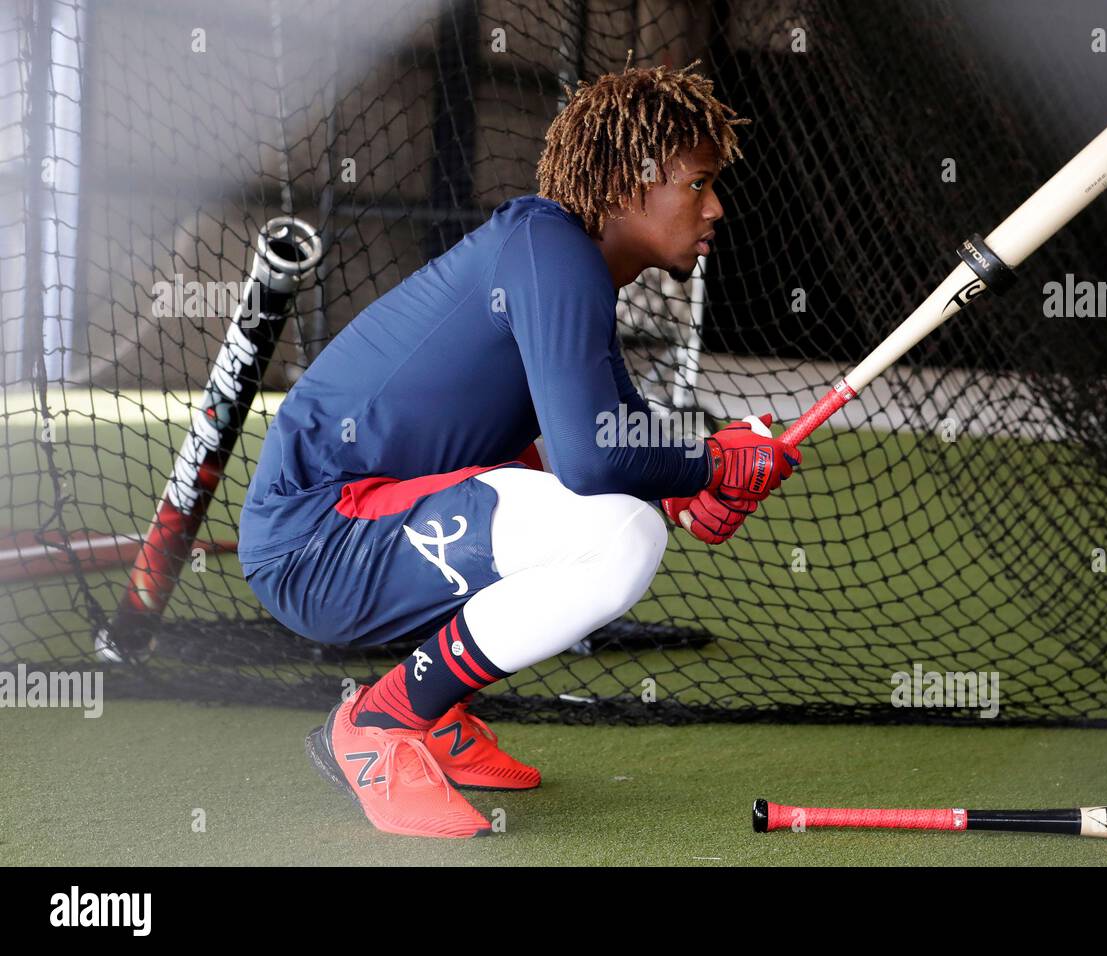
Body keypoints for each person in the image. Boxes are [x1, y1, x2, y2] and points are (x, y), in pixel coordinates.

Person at [238, 60, 801, 838]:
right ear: (625, 181)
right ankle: (378, 724)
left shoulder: (559, 262)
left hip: (355, 530)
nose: (716, 207)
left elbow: (623, 442)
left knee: (621, 508)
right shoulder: (550, 251)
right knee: (619, 534)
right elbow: (594, 459)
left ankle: (437, 718)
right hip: (319, 543)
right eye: (698, 184)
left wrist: (691, 485)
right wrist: (712, 463)